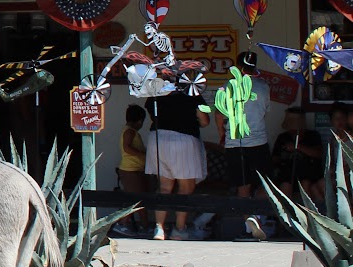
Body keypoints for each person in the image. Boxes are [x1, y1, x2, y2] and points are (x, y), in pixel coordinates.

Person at [214, 52, 271, 237]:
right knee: (264, 185)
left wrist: (222, 134)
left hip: (235, 142)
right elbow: (265, 112)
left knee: (243, 186)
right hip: (258, 141)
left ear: (238, 66)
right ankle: (258, 217)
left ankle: (249, 225)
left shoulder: (227, 87)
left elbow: (218, 114)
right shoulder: (263, 87)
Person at [144, 88, 211, 240]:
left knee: (164, 187)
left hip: (157, 138)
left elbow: (152, 113)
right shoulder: (191, 92)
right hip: (183, 138)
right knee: (185, 187)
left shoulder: (158, 90)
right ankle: (179, 229)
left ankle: (159, 228)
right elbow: (205, 121)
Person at [273, 106, 325, 207]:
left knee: (305, 184)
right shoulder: (283, 138)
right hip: (288, 173)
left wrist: (297, 147)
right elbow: (274, 158)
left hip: (308, 172)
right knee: (285, 186)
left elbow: (318, 153)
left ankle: (309, 213)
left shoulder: (313, 136)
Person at [112, 104, 151, 235]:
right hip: (130, 170)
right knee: (135, 200)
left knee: (139, 199)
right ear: (140, 120)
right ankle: (122, 224)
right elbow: (127, 148)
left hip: (135, 170)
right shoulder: (130, 131)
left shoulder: (130, 131)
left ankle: (145, 226)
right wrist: (144, 155)